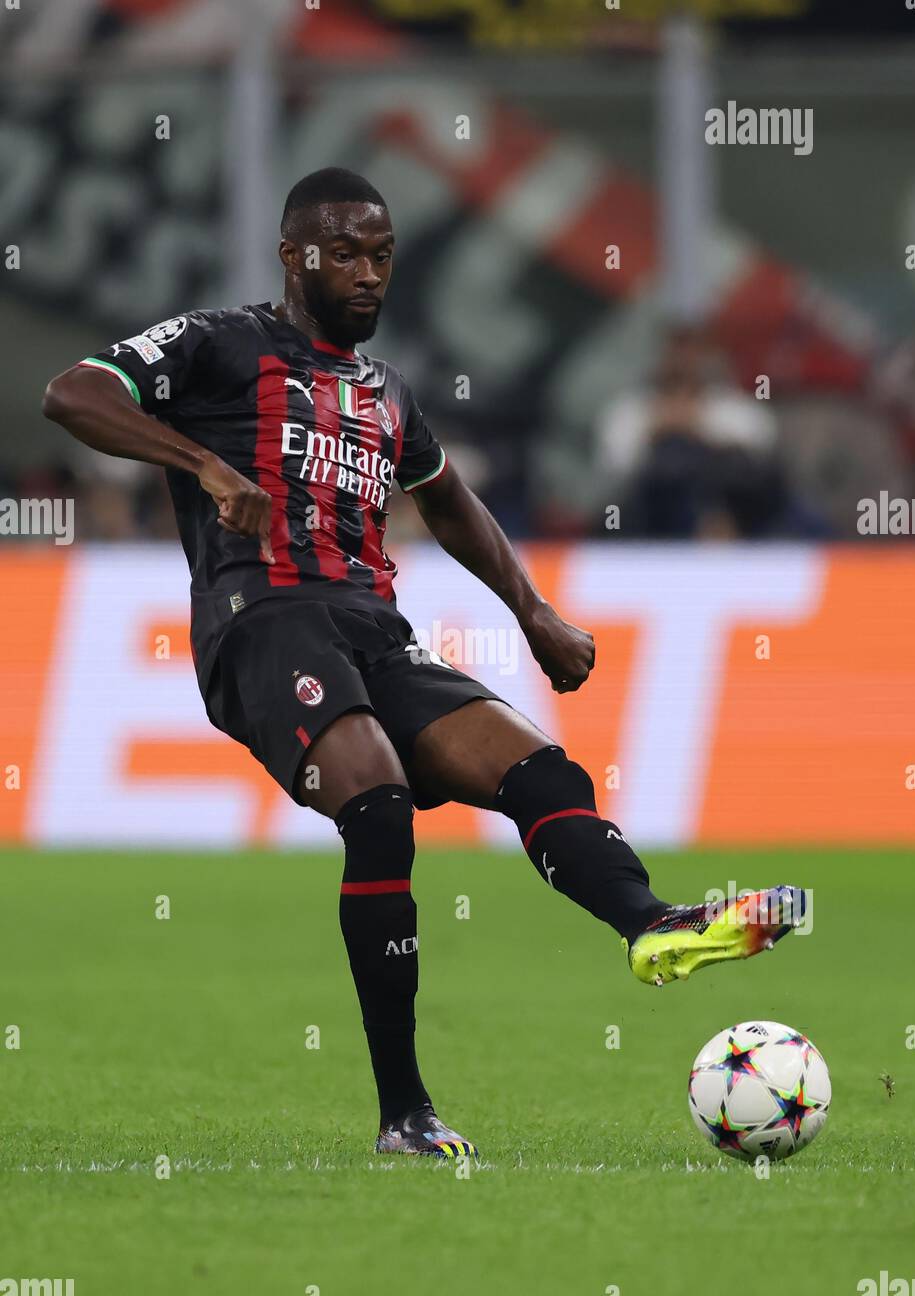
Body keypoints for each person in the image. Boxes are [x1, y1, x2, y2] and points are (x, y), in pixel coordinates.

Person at [43, 168, 804, 1157]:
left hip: (372, 630)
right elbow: (73, 393)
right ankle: (404, 1113)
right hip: (262, 621)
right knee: (378, 798)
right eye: (347, 254)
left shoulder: (383, 393)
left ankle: (651, 923)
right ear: (293, 257)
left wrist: (531, 611)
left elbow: (445, 498)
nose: (369, 274)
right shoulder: (223, 344)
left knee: (537, 765)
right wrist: (202, 464)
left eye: (383, 254)